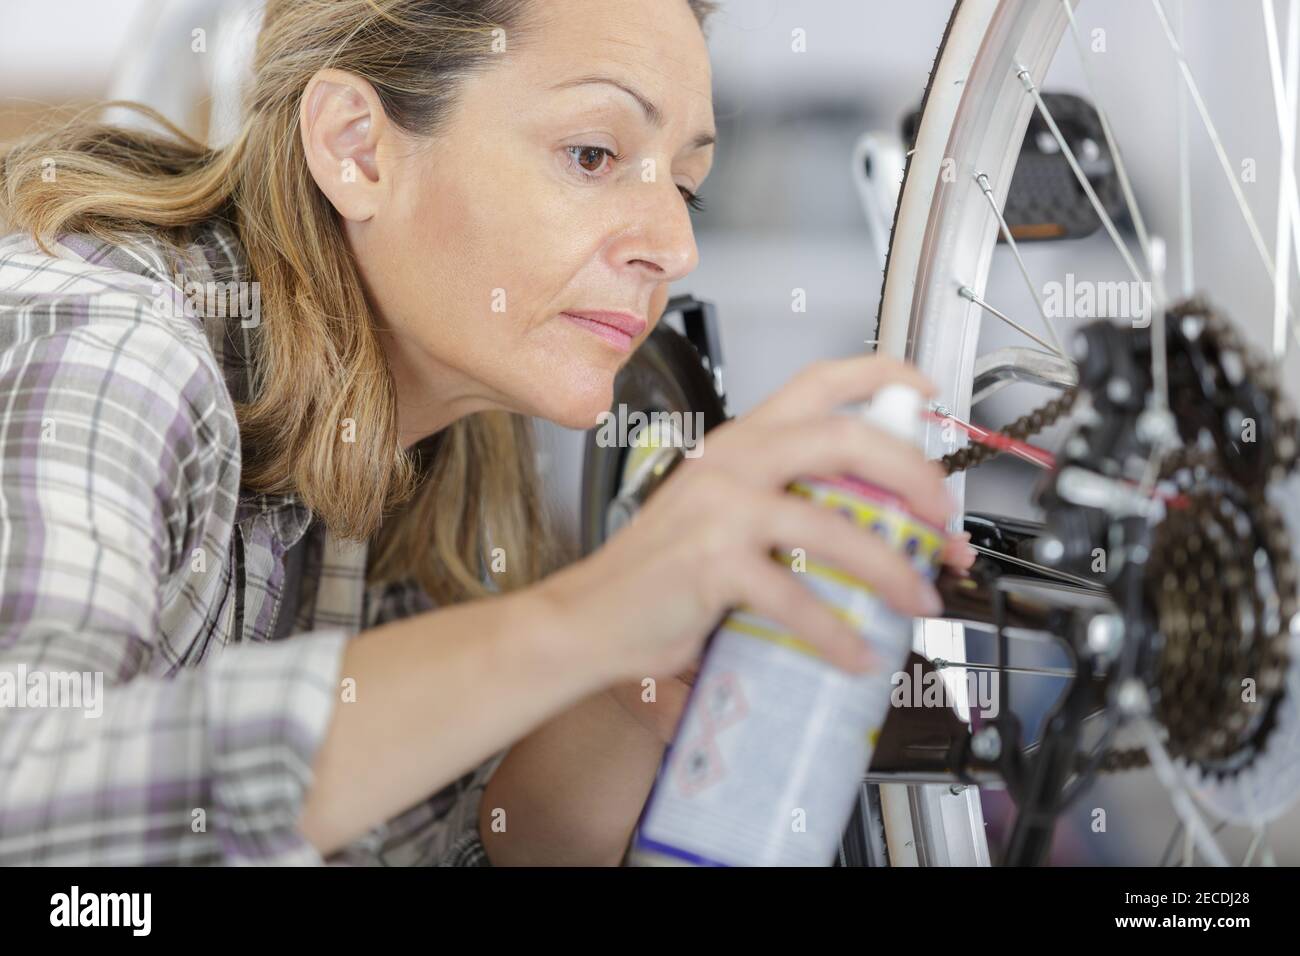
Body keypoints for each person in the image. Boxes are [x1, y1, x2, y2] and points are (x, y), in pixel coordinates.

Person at [0, 0, 971, 865]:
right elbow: (26, 798)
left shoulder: (431, 450)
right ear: (357, 148)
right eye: (592, 154)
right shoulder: (109, 345)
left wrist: (638, 676)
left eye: (687, 184)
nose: (676, 244)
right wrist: (587, 615)